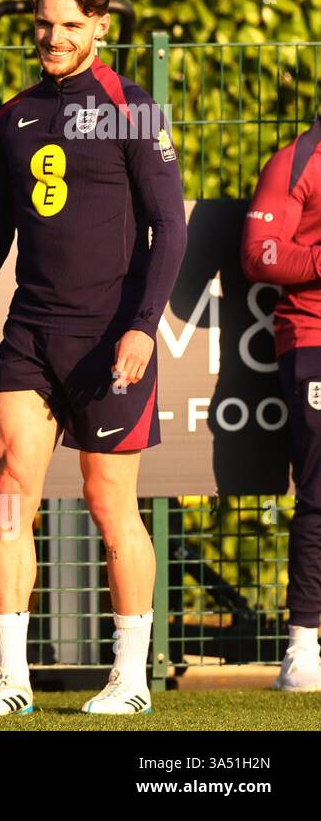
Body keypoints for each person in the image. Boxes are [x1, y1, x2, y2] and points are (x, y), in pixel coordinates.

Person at [0, 0, 186, 716]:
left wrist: (142, 328)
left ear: (100, 27)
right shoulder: (15, 113)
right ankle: (12, 678)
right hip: (32, 335)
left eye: (70, 25)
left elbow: (171, 228)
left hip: (111, 335)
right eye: (43, 25)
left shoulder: (133, 107)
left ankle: (129, 678)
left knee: (106, 500)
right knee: (11, 495)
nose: (53, 38)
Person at [241, 114, 321, 692]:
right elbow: (260, 254)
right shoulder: (297, 159)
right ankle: (303, 651)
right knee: (320, 495)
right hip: (314, 341)